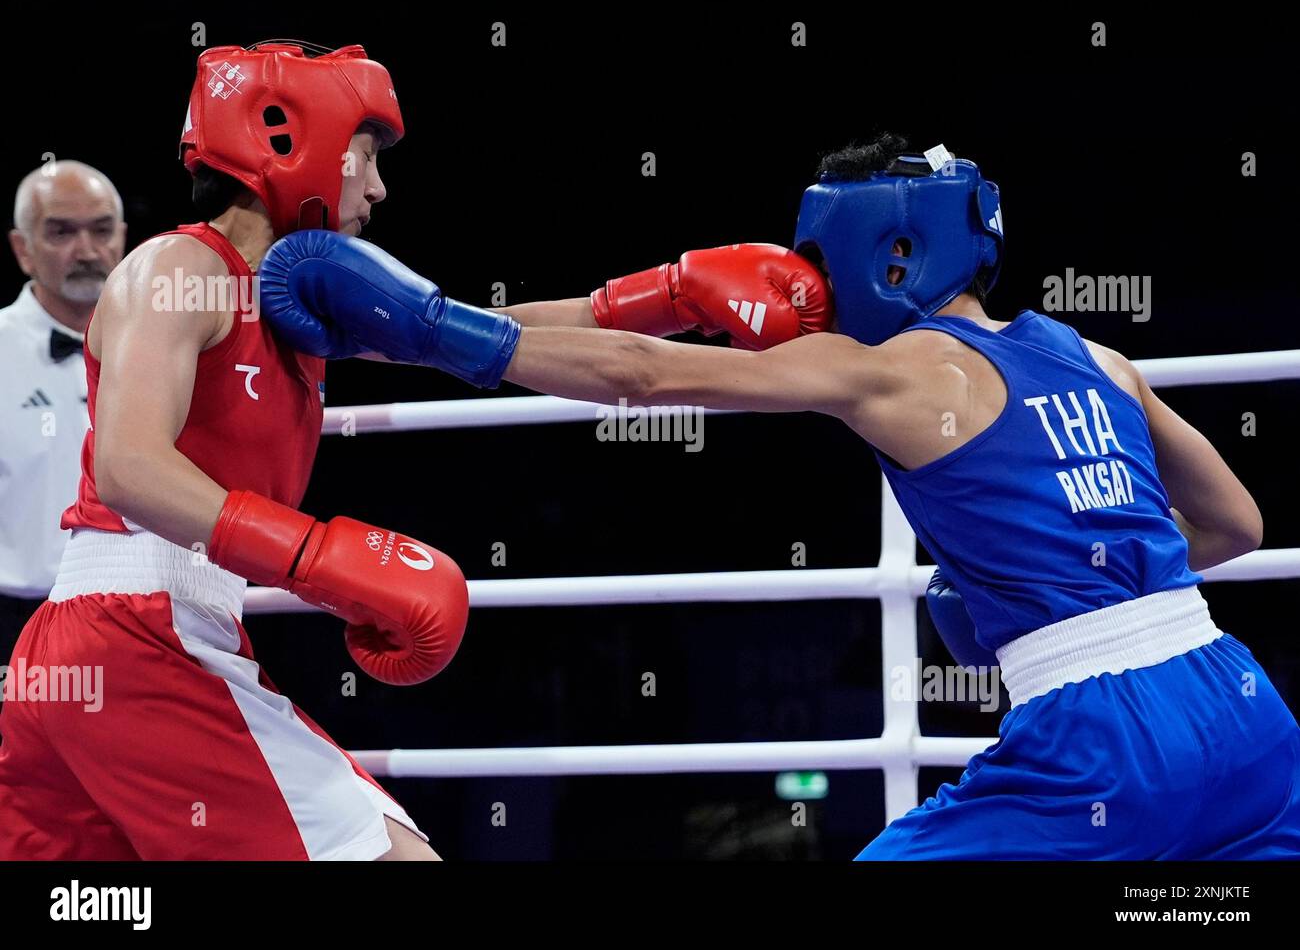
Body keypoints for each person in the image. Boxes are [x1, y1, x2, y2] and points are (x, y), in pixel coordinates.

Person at [260, 133, 1300, 858]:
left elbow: (643, 376)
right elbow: (1237, 523)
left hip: (1101, 741)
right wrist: (1073, 583)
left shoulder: (892, 371)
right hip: (1244, 707)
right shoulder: (1098, 354)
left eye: (819, 256)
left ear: (887, 251)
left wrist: (426, 327)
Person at [0, 41, 469, 861]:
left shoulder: (293, 305)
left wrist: (657, 301)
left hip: (119, 643)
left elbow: (488, 336)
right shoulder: (177, 269)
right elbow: (130, 469)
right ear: (294, 142)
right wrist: (316, 556)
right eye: (365, 159)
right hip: (133, 629)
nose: (380, 187)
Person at [0, 162, 125, 661]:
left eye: (101, 230)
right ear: (22, 249)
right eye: (61, 233)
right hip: (14, 624)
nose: (88, 251)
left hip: (138, 620)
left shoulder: (169, 350)